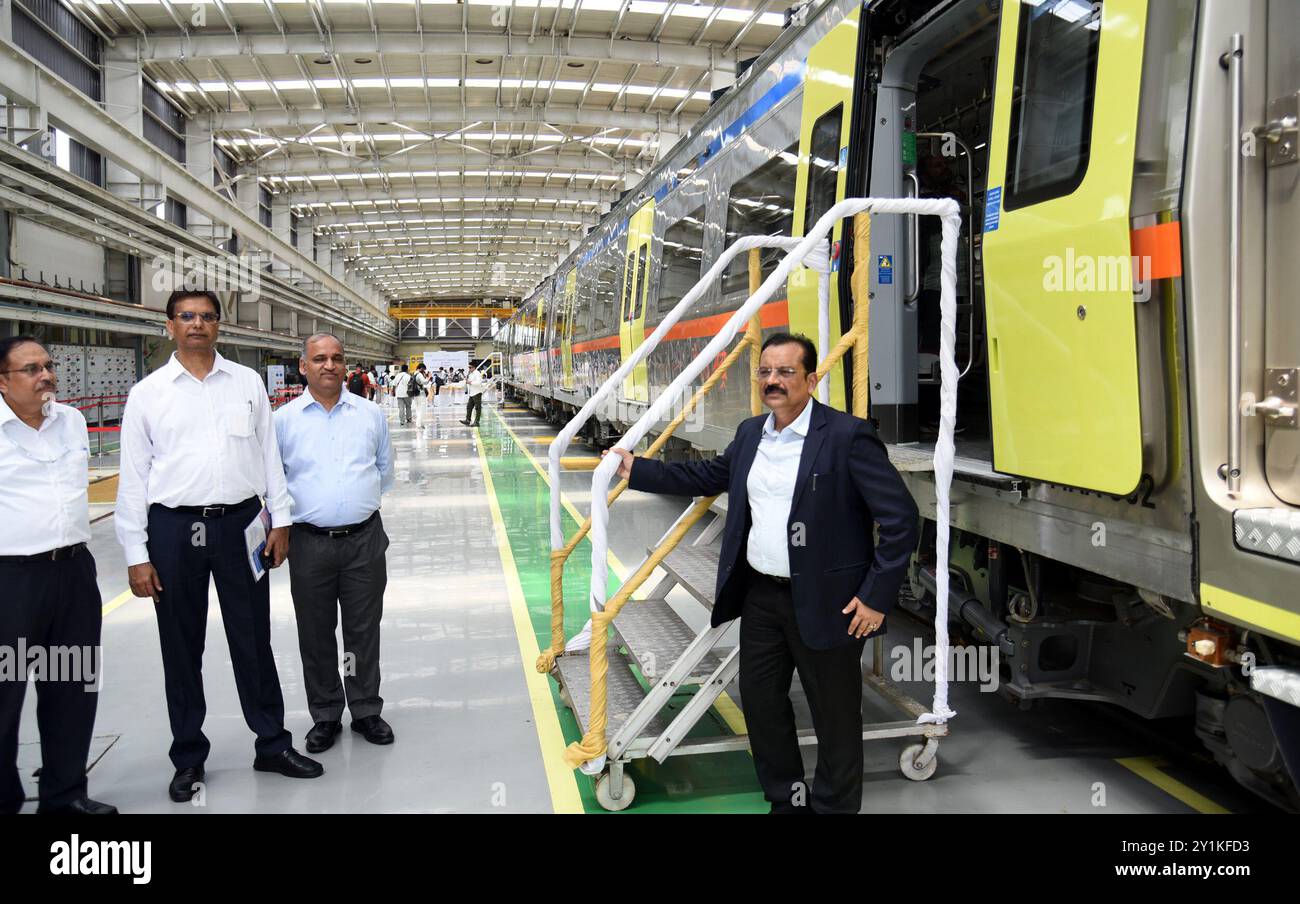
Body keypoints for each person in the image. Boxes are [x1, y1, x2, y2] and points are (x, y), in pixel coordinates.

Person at [605, 332, 918, 814]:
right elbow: (707, 476)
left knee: (834, 717)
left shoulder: (846, 437)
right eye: (766, 372)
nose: (773, 381)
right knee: (762, 706)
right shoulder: (752, 432)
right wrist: (638, 470)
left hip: (830, 602)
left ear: (811, 379)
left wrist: (876, 597)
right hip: (763, 598)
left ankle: (833, 808)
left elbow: (901, 520)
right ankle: (786, 800)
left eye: (786, 372)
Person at [116, 289, 323, 804]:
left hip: (241, 526)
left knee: (252, 638)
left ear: (218, 326)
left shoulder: (246, 383)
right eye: (186, 317)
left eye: (207, 317)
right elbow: (133, 480)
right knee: (181, 646)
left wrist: (282, 521)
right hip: (173, 530)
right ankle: (188, 757)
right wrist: (136, 554)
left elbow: (268, 456)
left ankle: (271, 744)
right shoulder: (148, 393)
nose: (197, 325)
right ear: (169, 326)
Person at [0, 337, 117, 815]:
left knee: (70, 688)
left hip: (72, 573)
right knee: (4, 697)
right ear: (3, 382)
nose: (45, 375)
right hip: (11, 581)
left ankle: (65, 795)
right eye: (31, 369)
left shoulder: (70, 421)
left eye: (48, 366)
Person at [275, 334, 396, 753]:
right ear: (303, 366)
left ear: (346, 366)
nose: (329, 365)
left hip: (364, 539)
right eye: (319, 358)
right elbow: (273, 482)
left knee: (363, 631)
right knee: (316, 632)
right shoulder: (283, 421)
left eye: (337, 358)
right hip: (309, 543)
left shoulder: (370, 415)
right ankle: (325, 713)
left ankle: (365, 709)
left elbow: (384, 470)